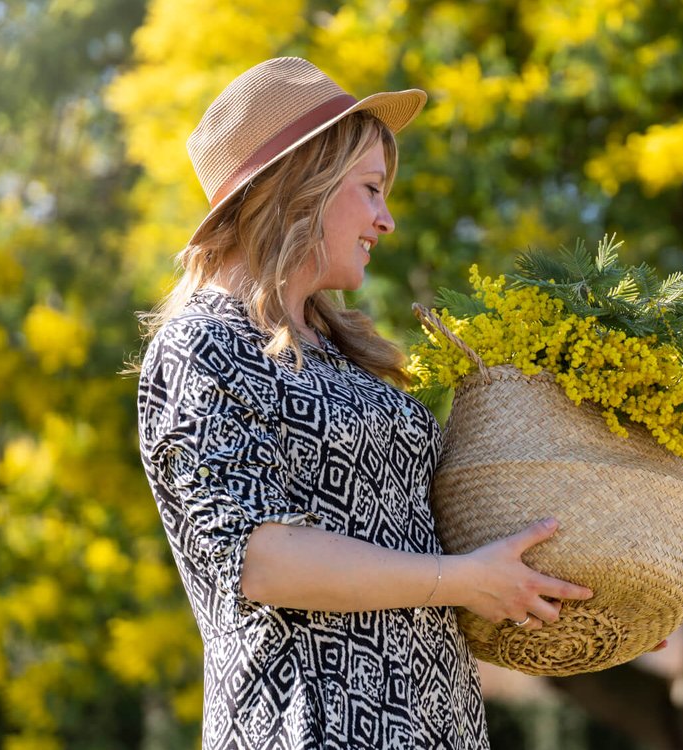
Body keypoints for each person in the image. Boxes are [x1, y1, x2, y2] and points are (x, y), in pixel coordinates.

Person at [134, 57, 592, 749]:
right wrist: (460, 581)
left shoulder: (341, 347)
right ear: (300, 188)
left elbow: (422, 533)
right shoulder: (201, 344)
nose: (387, 220)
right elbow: (258, 560)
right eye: (371, 189)